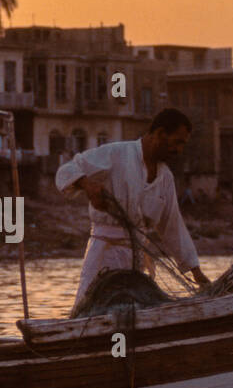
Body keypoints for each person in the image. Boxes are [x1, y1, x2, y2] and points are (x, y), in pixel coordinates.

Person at [56, 108, 209, 312]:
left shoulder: (165, 178)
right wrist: (87, 185)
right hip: (104, 254)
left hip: (137, 259)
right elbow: (66, 170)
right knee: (91, 310)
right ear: (161, 134)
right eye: (178, 142)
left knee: (133, 312)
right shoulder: (117, 154)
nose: (179, 150)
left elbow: (173, 227)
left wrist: (196, 273)